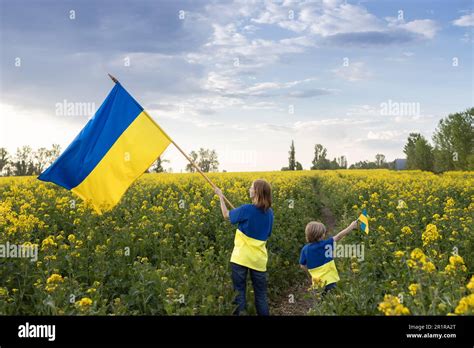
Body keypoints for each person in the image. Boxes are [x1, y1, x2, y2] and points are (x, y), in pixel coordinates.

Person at [214, 179, 273, 315]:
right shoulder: (269, 213)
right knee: (261, 296)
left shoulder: (246, 209)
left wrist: (220, 197)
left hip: (241, 258)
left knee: (239, 292)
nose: (249, 189)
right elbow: (267, 233)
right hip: (258, 260)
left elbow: (226, 215)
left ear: (257, 192)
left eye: (251, 187)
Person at [299, 220, 358, 293]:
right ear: (320, 235)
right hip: (331, 280)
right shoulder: (326, 244)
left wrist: (310, 273)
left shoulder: (305, 249)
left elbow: (302, 265)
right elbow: (339, 236)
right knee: (334, 299)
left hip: (317, 284)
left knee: (321, 301)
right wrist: (351, 226)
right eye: (323, 233)